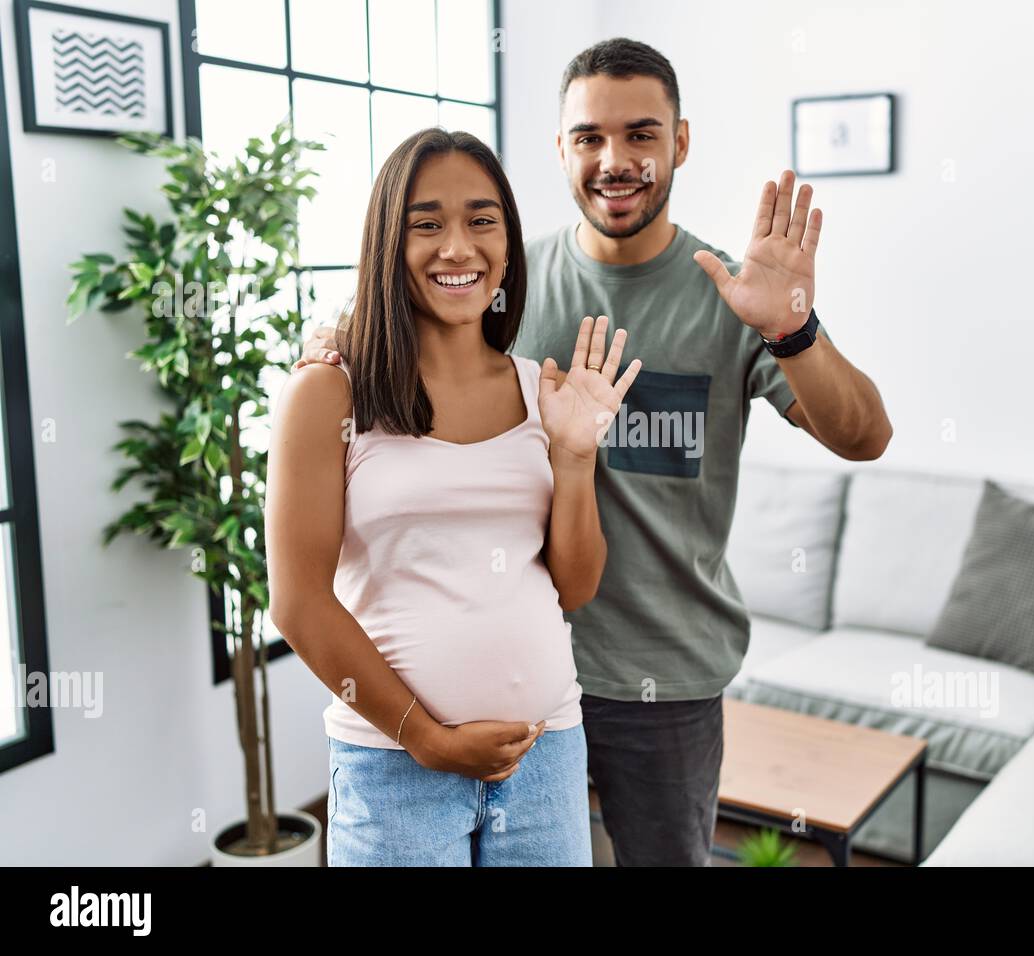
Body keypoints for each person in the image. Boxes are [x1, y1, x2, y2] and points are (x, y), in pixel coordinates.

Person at [298, 39, 892, 866]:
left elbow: (864, 436)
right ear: (561, 150)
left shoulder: (735, 295)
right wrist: (341, 336)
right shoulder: (504, 285)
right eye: (590, 137)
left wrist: (791, 326)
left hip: (664, 681)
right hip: (517, 683)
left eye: (641, 134)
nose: (615, 160)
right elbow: (418, 330)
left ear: (680, 142)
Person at [267, 127, 641, 866]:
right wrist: (426, 738)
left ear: (507, 241)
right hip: (393, 766)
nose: (458, 247)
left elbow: (576, 587)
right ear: (388, 242)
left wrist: (574, 459)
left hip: (545, 753)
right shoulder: (329, 392)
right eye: (427, 224)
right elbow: (298, 602)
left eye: (481, 220)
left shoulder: (543, 390)